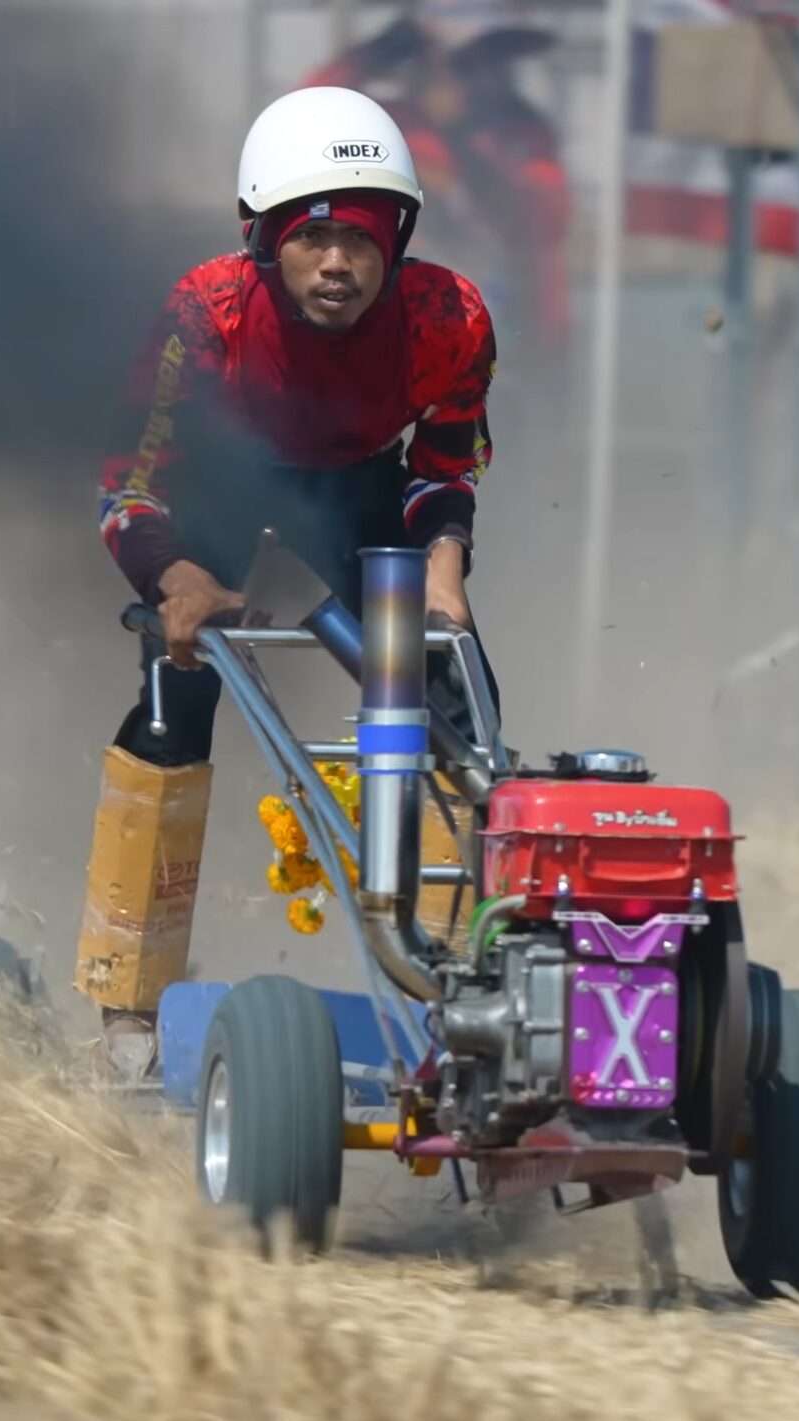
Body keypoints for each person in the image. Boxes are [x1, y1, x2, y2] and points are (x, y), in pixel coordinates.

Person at [76, 86, 501, 1077]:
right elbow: (129, 485)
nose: (339, 264)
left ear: (398, 239)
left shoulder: (448, 317)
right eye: (311, 240)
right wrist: (178, 578)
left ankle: (462, 988)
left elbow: (444, 467)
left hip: (361, 502)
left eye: (362, 237)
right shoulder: (204, 314)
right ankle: (127, 1006)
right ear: (260, 240)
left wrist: (443, 573)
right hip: (220, 500)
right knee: (169, 710)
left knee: (459, 710)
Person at [301, 3, 572, 367]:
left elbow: (547, 216)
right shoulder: (392, 125)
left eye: (499, 61)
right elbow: (302, 111)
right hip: (389, 339)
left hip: (506, 344)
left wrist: (479, 170)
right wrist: (372, 56)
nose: (490, 77)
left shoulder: (520, 134)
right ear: (425, 67)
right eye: (470, 64)